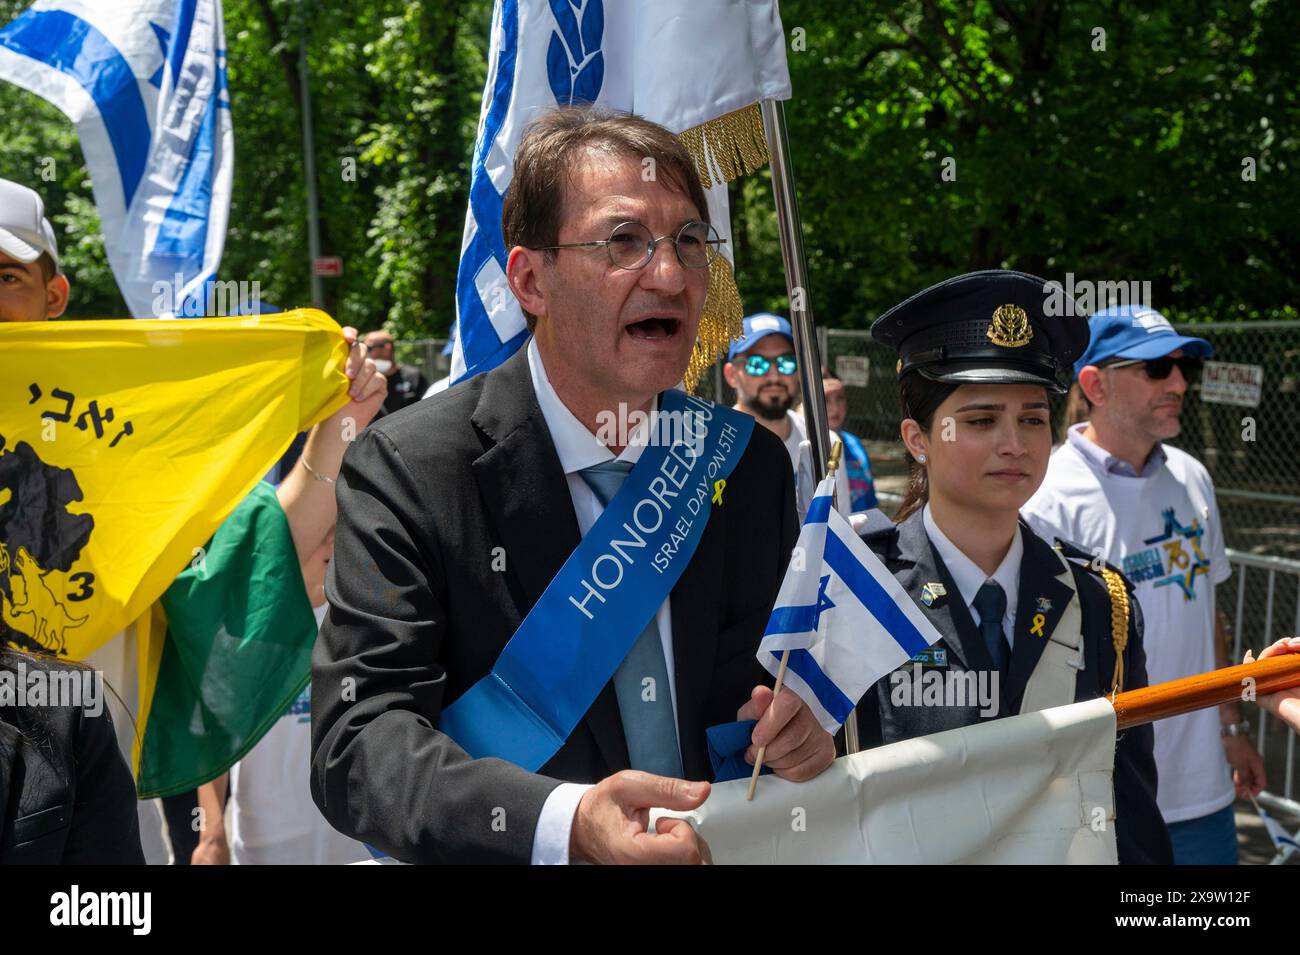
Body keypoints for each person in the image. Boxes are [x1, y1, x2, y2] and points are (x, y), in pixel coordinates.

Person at [312, 105, 835, 865]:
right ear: (531, 279)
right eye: (624, 241)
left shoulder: (744, 467)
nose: (669, 275)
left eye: (689, 241)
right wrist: (565, 823)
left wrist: (803, 728)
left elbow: (779, 691)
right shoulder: (410, 469)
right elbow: (358, 745)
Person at [853, 270, 1172, 865]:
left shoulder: (1100, 601)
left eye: (1032, 418)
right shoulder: (858, 590)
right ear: (917, 438)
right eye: (980, 420)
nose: (1015, 444)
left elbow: (1127, 803)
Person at [1021, 303, 1263, 865]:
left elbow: (1208, 611)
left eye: (1182, 367)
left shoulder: (1192, 476)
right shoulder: (1046, 495)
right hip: (1105, 795)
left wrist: (1233, 723)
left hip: (1204, 789)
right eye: (1156, 369)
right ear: (1094, 385)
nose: (1178, 382)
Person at [822, 367, 878, 513]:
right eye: (825, 399)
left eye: (840, 398)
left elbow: (870, 502)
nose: (835, 408)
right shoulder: (803, 450)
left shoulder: (854, 444)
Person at [363, 329, 429, 418]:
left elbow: (427, 409)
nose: (365, 352)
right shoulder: (365, 379)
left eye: (369, 348)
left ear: (387, 347)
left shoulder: (414, 376)